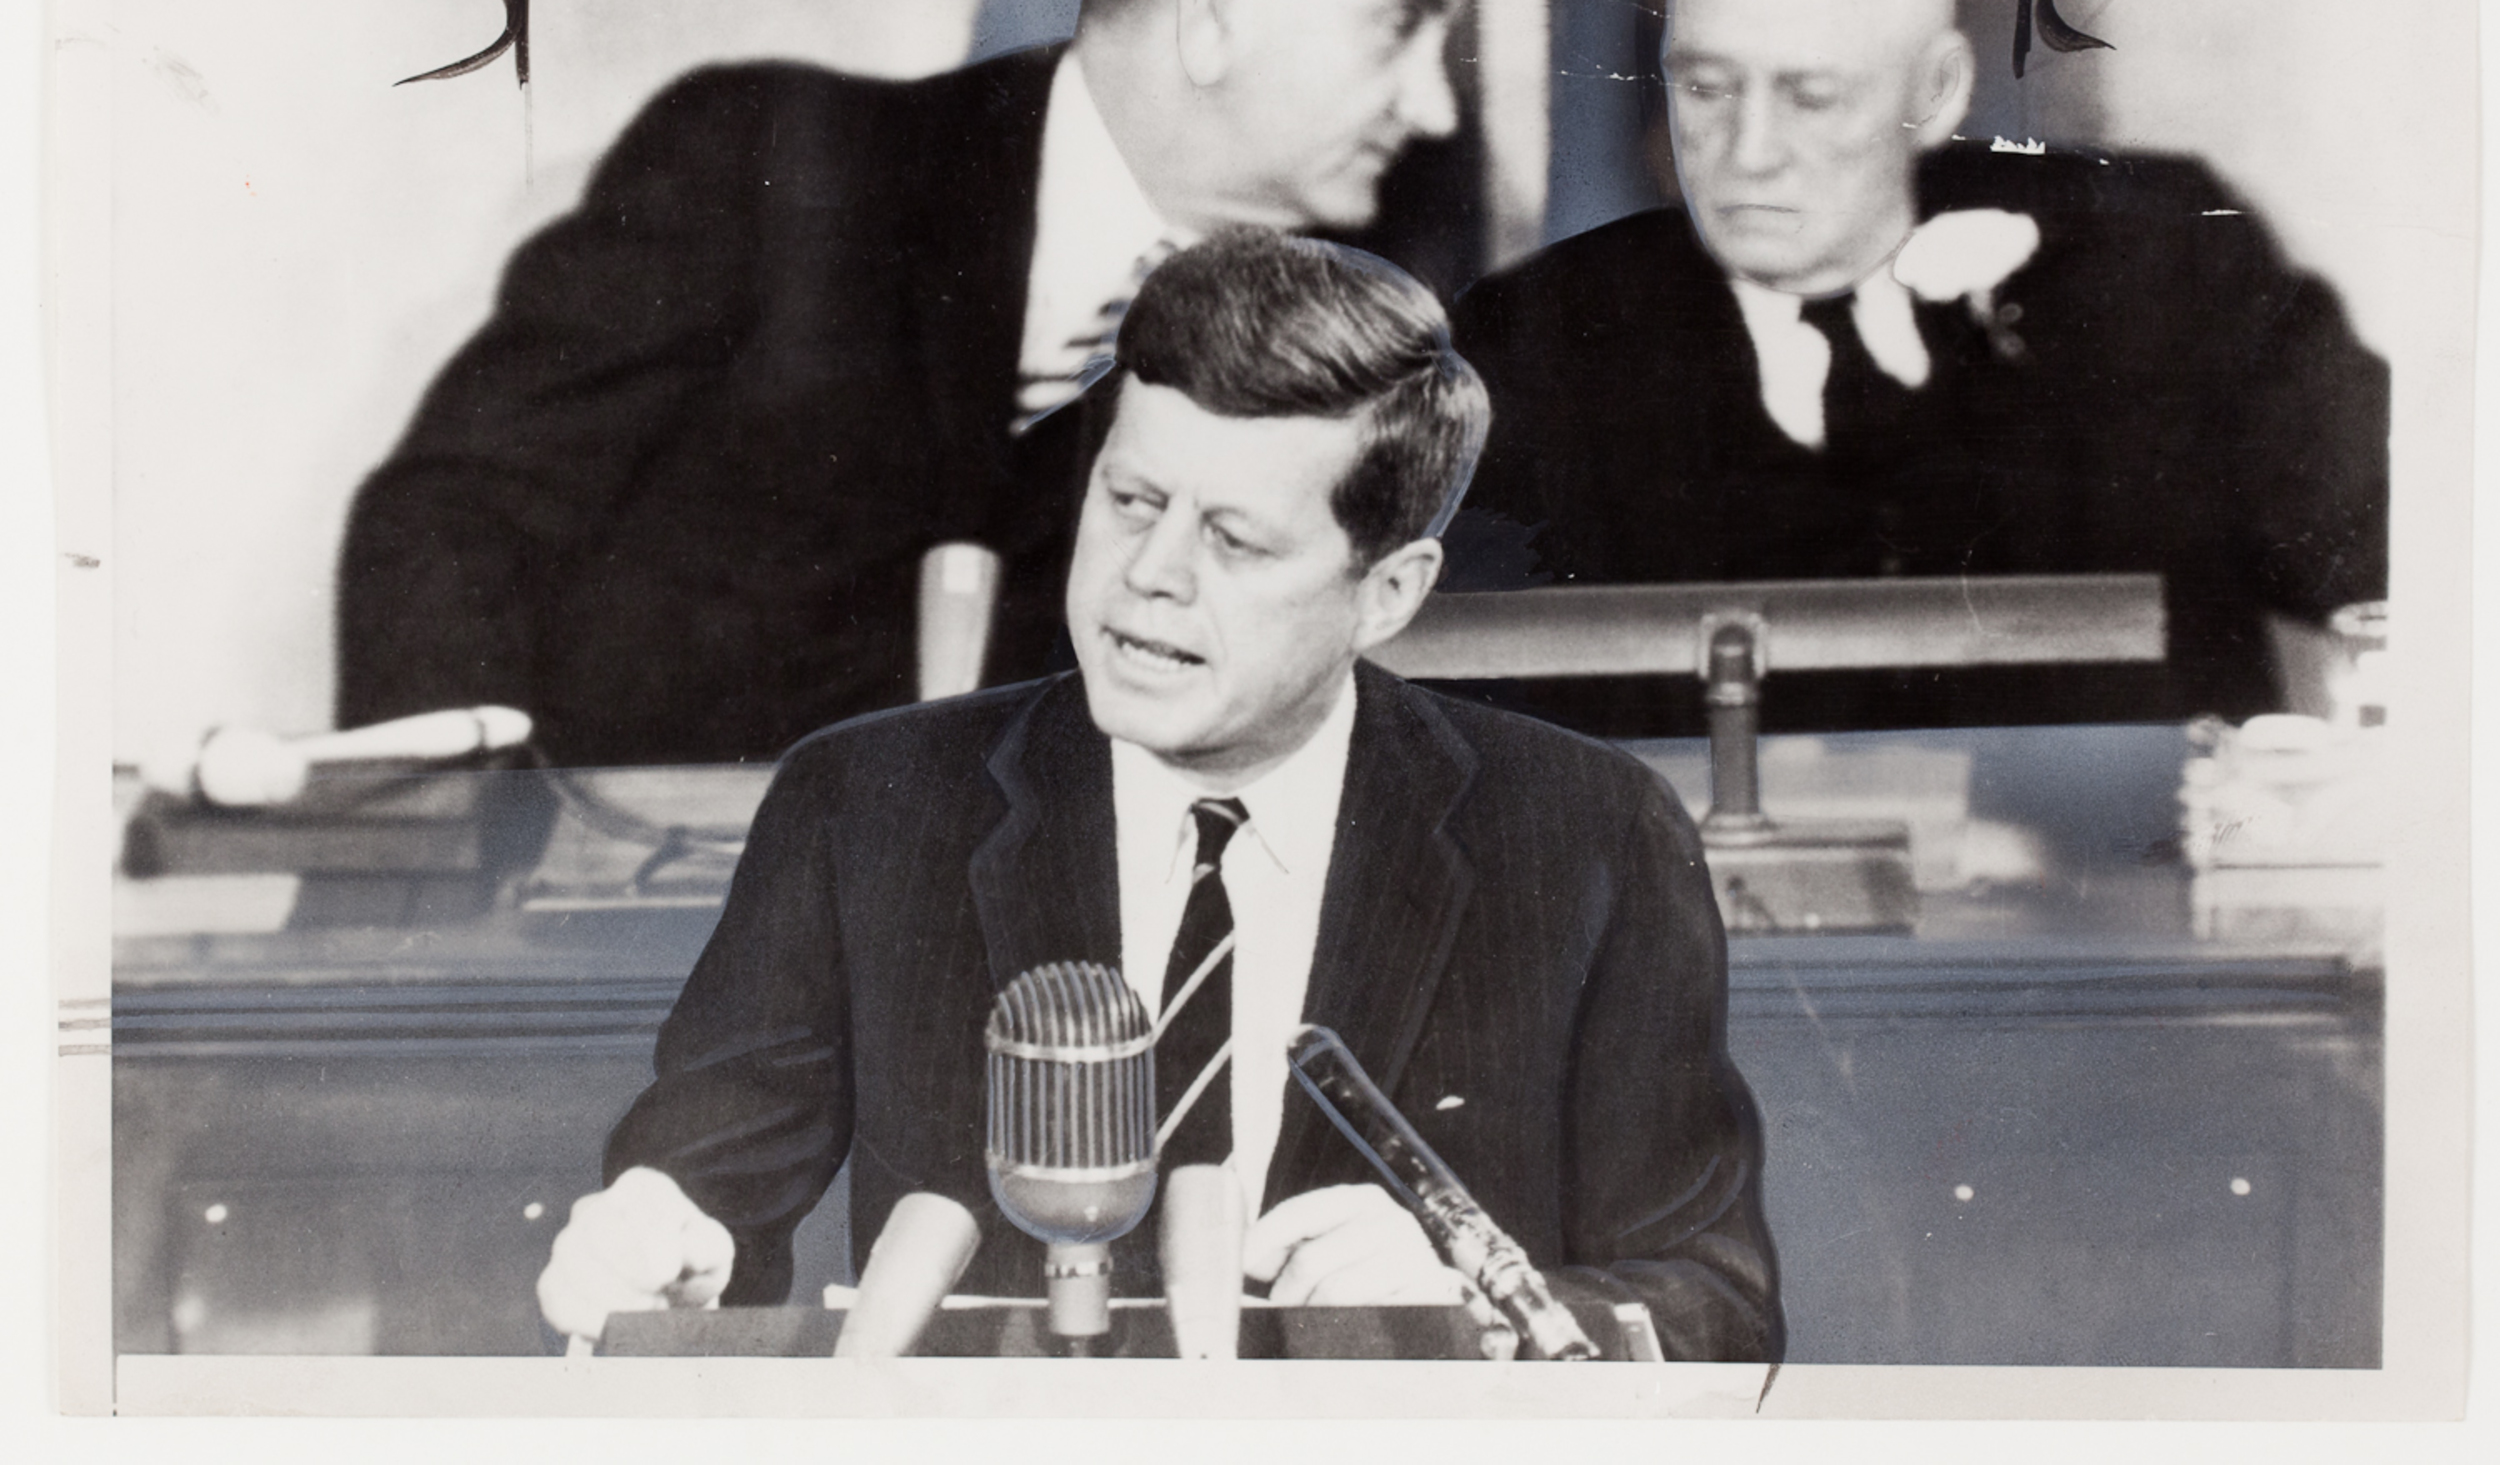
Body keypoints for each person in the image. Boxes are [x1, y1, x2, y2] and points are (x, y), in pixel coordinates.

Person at [534, 230, 1781, 1361]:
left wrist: (1481, 1320)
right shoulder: (864, 803)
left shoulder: (1587, 834)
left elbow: (1712, 1301)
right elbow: (702, 1192)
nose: (1147, 576)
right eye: (1130, 502)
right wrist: (662, 1242)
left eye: (1232, 541)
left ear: (1388, 592)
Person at [336, 0, 1466, 765]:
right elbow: (456, 519)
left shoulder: (1379, 332)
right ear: (1219, 3)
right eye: (1398, 25)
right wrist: (448, 885)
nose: (1434, 108)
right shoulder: (773, 163)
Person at [1454, 0, 2388, 731]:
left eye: (1812, 96)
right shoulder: (1531, 344)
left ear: (1936, 92)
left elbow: (2418, 555)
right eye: (1705, 86)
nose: (1748, 152)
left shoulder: (2170, 271)